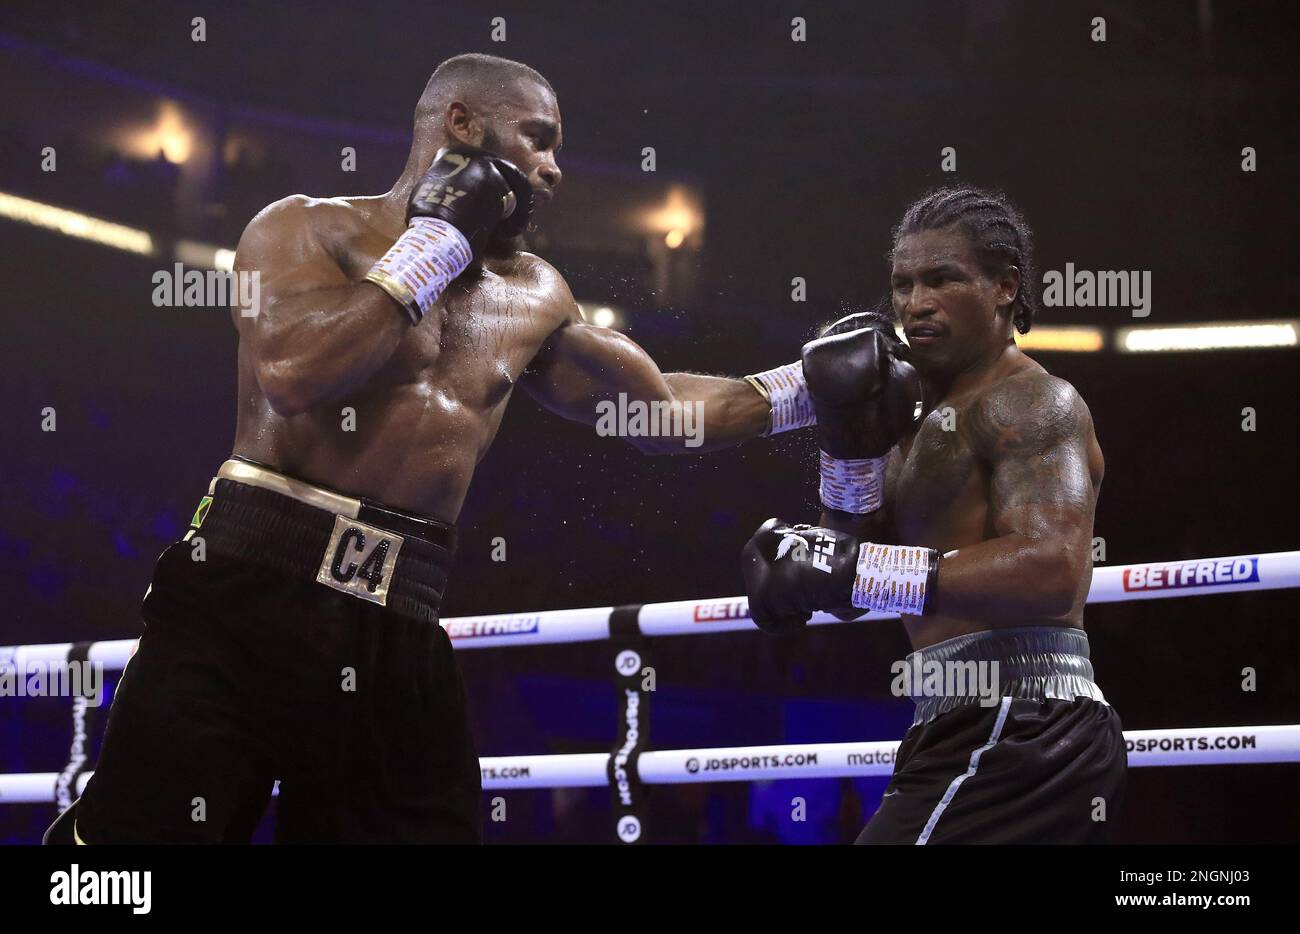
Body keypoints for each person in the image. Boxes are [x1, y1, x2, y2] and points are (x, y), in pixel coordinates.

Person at [52, 53, 814, 844]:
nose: (553, 169)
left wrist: (809, 389)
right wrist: (435, 244)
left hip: (398, 616)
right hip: (247, 587)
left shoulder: (535, 293)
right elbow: (294, 373)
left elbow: (659, 413)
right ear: (462, 124)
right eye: (538, 139)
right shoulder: (306, 227)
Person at [742, 187, 1126, 844]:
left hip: (1022, 718)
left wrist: (855, 567)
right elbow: (856, 583)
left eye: (941, 280)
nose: (916, 303)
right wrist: (845, 453)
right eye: (904, 284)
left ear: (1005, 287)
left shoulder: (1033, 402)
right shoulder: (910, 422)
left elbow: (1053, 568)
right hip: (960, 718)